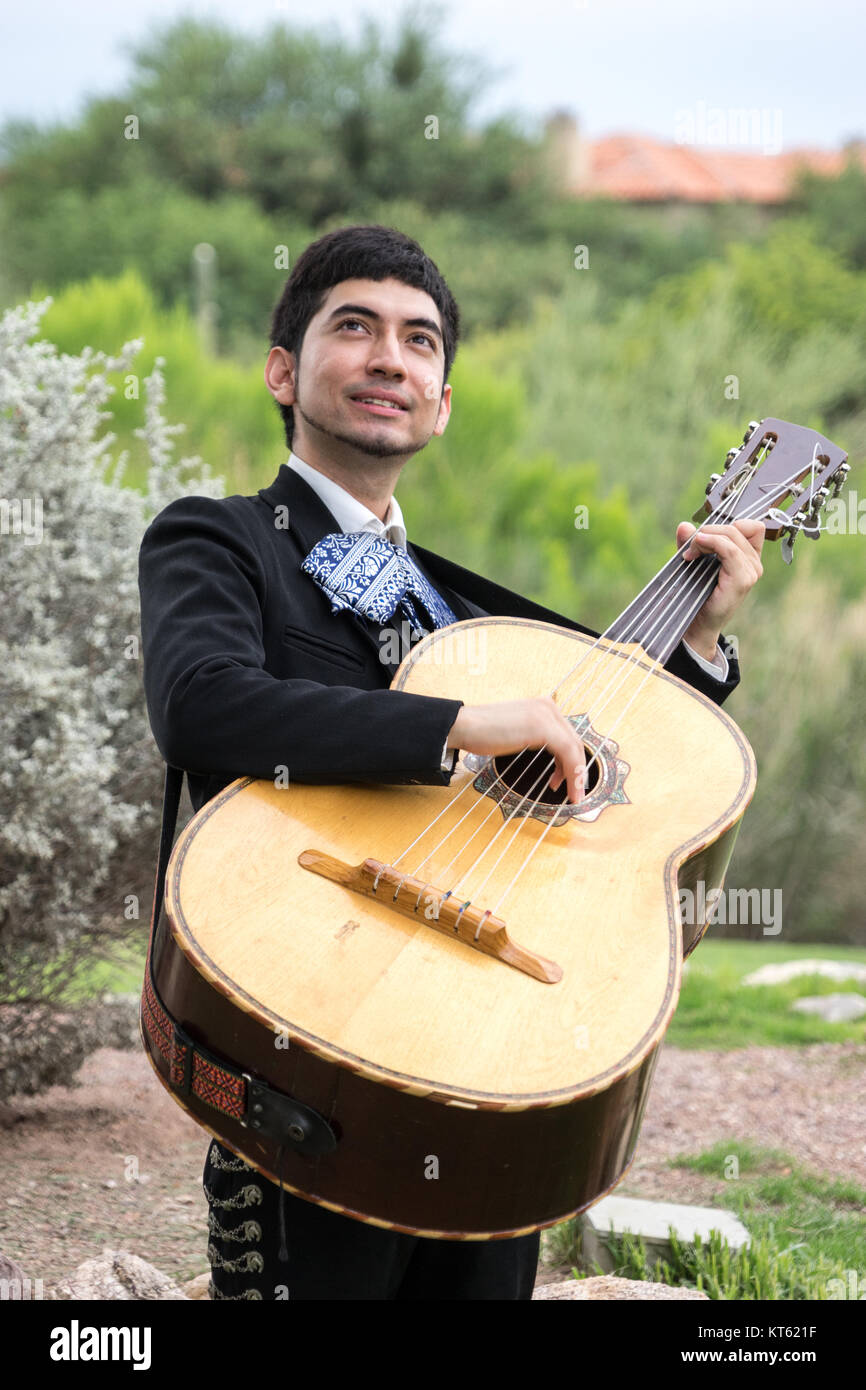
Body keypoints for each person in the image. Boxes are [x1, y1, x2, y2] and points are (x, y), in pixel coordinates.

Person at [138, 223, 765, 1300]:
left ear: (441, 401)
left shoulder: (466, 615)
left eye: (420, 342)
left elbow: (615, 753)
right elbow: (202, 707)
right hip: (307, 1024)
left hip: (490, 1056)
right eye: (355, 327)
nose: (391, 357)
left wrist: (697, 640)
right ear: (283, 371)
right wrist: (452, 725)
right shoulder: (220, 538)